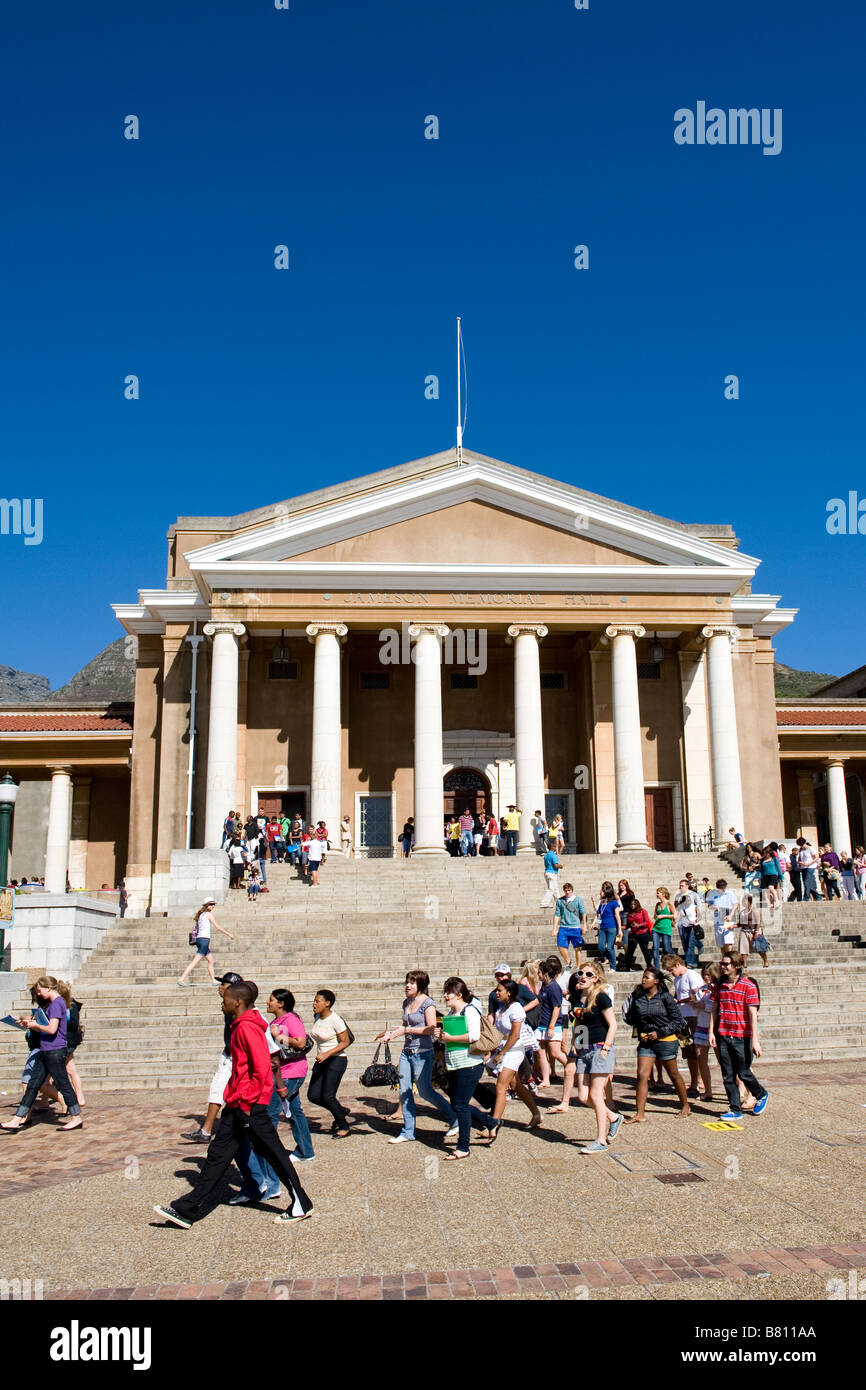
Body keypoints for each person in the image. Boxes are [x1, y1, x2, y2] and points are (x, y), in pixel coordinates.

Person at [154, 982, 314, 1227]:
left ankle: (301, 1202)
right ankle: (187, 1209)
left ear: (237, 1002)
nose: (222, 1002)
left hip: (249, 1105)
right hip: (238, 1103)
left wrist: (248, 1102)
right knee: (218, 1155)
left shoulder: (246, 1028)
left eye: (226, 998)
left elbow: (262, 1067)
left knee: (274, 1153)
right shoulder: (243, 1025)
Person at [549, 962, 622, 1152]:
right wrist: (574, 1042)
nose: (583, 976)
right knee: (582, 1096)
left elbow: (613, 1025)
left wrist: (606, 1048)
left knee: (596, 1095)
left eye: (589, 974)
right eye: (581, 973)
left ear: (596, 979)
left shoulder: (601, 997)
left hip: (599, 1048)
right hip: (584, 1049)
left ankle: (601, 1140)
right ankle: (613, 1117)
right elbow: (579, 1023)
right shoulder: (579, 999)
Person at [380, 971, 458, 1143]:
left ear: (421, 985)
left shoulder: (427, 1003)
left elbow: (431, 1028)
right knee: (404, 1090)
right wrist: (391, 1035)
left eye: (413, 983)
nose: (408, 985)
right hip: (406, 1052)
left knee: (425, 1092)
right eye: (407, 982)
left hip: (423, 1054)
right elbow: (404, 1026)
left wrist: (407, 1030)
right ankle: (408, 1131)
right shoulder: (406, 1002)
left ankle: (454, 1118)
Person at [2, 976, 83, 1131]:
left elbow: (52, 1029)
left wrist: (34, 1025)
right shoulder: (54, 1004)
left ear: (48, 988)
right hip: (46, 1050)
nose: (38, 994)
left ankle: (76, 1117)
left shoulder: (57, 1004)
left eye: (39, 990)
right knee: (32, 1086)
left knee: (63, 1084)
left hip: (54, 1050)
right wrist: (30, 1023)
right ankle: (17, 1119)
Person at [435, 977, 497, 1159]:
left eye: (450, 992)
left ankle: (463, 1147)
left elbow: (474, 1036)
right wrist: (441, 1036)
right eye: (445, 992)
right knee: (458, 1103)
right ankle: (490, 1122)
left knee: (460, 1105)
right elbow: (449, 1039)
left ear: (459, 994)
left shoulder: (469, 1011)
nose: (446, 995)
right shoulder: (451, 1013)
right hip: (455, 1063)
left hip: (470, 1064)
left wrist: (450, 1038)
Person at [181, 971, 246, 1143]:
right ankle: (208, 1129)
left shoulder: (237, 1008)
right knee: (220, 1091)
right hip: (229, 1054)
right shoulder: (230, 1005)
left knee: (219, 1090)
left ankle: (207, 1131)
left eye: (223, 984)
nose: (220, 988)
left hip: (235, 1057)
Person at [623, 967, 690, 1123]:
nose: (643, 980)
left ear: (656, 981)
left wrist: (659, 1033)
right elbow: (633, 1017)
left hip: (666, 1040)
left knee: (673, 1074)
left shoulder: (665, 997)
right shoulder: (638, 997)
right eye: (643, 977)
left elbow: (677, 1021)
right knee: (642, 1075)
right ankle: (640, 1114)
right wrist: (640, 1031)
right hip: (646, 1041)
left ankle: (685, 1105)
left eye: (647, 977)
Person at [709, 950, 769, 1122]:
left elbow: (753, 1014)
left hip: (742, 1036)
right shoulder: (720, 985)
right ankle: (735, 1109)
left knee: (743, 1072)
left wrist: (755, 1040)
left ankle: (761, 1093)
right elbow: (714, 1009)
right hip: (724, 1033)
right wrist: (711, 1032)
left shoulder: (748, 985)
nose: (722, 966)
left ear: (736, 966)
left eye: (726, 964)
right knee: (728, 1074)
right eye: (722, 963)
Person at [485, 980, 542, 1136]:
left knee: (501, 1086)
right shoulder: (502, 1007)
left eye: (500, 990)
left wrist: (502, 1053)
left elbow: (515, 1035)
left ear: (509, 992)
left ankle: (493, 1125)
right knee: (516, 1085)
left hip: (514, 1050)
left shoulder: (516, 1008)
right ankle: (536, 1114)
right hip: (504, 1048)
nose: (496, 993)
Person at [267, 989, 315, 1162]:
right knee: (295, 1111)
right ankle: (305, 1151)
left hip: (291, 1072)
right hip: (284, 1071)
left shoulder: (291, 1019)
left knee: (271, 1112)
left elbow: (300, 1042)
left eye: (271, 1000)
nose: (268, 1002)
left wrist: (278, 1036)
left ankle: (269, 1152)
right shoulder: (277, 1020)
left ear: (281, 1004)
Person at [307, 989, 352, 1136]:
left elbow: (345, 1041)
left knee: (328, 1096)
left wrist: (327, 1053)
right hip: (322, 1060)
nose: (314, 1003)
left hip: (336, 1060)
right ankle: (340, 1110)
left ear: (327, 1004)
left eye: (317, 1001)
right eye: (314, 1000)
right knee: (313, 1096)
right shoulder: (317, 1016)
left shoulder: (335, 1020)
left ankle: (344, 1126)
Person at [663, 954, 708, 1099]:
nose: (671, 973)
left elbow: (697, 994)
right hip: (682, 1016)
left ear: (677, 965)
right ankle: (695, 1080)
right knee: (688, 1050)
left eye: (671, 969)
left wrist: (680, 1000)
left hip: (693, 1015)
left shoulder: (691, 975)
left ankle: (698, 1081)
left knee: (695, 1050)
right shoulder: (677, 978)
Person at [178, 900, 235, 986]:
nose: (213, 906)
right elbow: (217, 927)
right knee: (195, 961)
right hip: (204, 940)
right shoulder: (208, 915)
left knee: (211, 960)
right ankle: (181, 979)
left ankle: (213, 980)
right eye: (211, 904)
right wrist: (229, 934)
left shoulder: (201, 915)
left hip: (200, 939)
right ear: (207, 905)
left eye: (213, 905)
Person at [534, 957, 569, 1094]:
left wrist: (551, 1026)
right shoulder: (544, 986)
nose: (538, 975)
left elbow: (557, 1007)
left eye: (539, 972)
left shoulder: (554, 987)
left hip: (552, 1024)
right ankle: (546, 1078)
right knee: (540, 1051)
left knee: (555, 1052)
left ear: (545, 973)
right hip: (541, 1023)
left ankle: (575, 1070)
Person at [553, 883, 586, 968]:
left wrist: (584, 925)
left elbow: (583, 913)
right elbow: (557, 914)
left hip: (575, 927)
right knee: (561, 946)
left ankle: (578, 966)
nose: (568, 892)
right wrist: (554, 928)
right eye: (566, 890)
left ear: (572, 890)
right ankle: (569, 962)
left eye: (569, 890)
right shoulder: (560, 901)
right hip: (564, 926)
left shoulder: (578, 900)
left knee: (577, 948)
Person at [593, 881, 622, 972]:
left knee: (610, 947)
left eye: (602, 891)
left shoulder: (614, 902)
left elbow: (617, 916)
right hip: (602, 927)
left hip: (611, 927)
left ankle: (613, 967)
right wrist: (596, 923)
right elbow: (599, 915)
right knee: (601, 947)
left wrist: (620, 929)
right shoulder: (601, 903)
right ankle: (612, 959)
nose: (600, 893)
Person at [737, 894, 770, 967]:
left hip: (754, 931)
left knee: (760, 948)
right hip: (744, 931)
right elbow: (740, 923)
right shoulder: (742, 912)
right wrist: (732, 926)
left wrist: (756, 932)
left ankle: (765, 960)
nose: (743, 902)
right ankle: (744, 963)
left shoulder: (754, 910)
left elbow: (758, 922)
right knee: (744, 948)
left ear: (749, 902)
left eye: (745, 901)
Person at [674, 885, 701, 968]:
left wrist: (695, 921)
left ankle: (689, 962)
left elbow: (700, 916)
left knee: (690, 945)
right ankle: (694, 960)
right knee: (686, 944)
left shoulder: (694, 907)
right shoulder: (681, 908)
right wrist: (675, 921)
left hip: (692, 927)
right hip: (684, 926)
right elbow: (679, 916)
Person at [622, 898, 653, 970]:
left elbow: (647, 922)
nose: (632, 906)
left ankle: (649, 965)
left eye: (634, 904)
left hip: (643, 933)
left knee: (645, 950)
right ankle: (627, 966)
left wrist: (638, 925)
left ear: (637, 905)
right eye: (631, 904)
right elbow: (628, 925)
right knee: (630, 951)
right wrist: (623, 927)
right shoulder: (629, 914)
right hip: (633, 934)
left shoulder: (642, 911)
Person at [707, 879, 737, 950]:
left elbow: (736, 905)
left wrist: (731, 915)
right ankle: (724, 957)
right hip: (718, 920)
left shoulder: (730, 893)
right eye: (721, 888)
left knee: (728, 941)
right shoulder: (713, 894)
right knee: (721, 943)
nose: (722, 890)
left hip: (728, 919)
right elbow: (709, 905)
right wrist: (714, 907)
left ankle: (729, 958)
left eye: (723, 888)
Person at [651, 886, 675, 969]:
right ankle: (656, 967)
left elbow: (674, 915)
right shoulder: (657, 904)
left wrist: (664, 916)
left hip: (665, 928)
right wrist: (657, 917)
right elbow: (655, 915)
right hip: (656, 928)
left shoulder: (669, 903)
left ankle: (676, 959)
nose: (657, 894)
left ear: (664, 894)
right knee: (655, 948)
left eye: (658, 892)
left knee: (667, 948)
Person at [796, 838, 822, 902]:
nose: (801, 846)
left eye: (802, 845)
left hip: (811, 867)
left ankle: (806, 898)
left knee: (806, 882)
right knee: (806, 883)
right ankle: (817, 896)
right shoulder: (800, 849)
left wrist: (808, 863)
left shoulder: (810, 849)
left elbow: (816, 858)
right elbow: (799, 858)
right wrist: (800, 862)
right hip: (803, 867)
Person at [540, 844, 562, 909]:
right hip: (552, 873)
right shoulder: (553, 855)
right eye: (555, 846)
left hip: (547, 872)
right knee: (551, 889)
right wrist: (561, 866)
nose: (556, 847)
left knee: (555, 889)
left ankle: (560, 904)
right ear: (553, 847)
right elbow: (555, 865)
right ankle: (544, 903)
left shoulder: (546, 855)